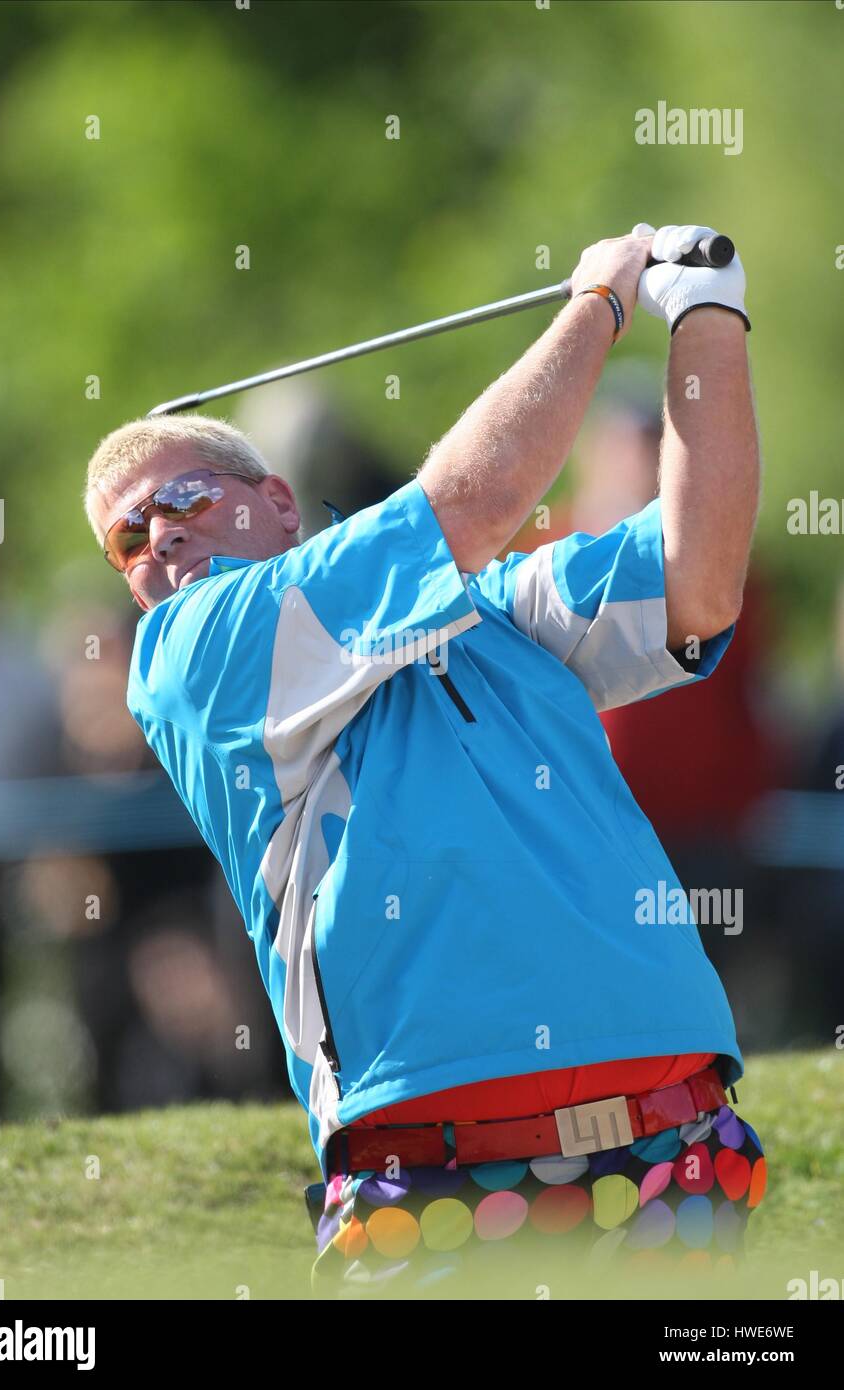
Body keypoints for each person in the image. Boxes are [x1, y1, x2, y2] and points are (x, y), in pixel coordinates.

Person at [83, 223, 767, 1299]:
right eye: (127, 540)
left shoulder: (493, 607)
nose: (155, 538)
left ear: (275, 501)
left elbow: (701, 578)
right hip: (437, 1167)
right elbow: (473, 502)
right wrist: (598, 306)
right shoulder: (191, 656)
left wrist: (710, 316)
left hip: (673, 1127)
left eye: (181, 500)